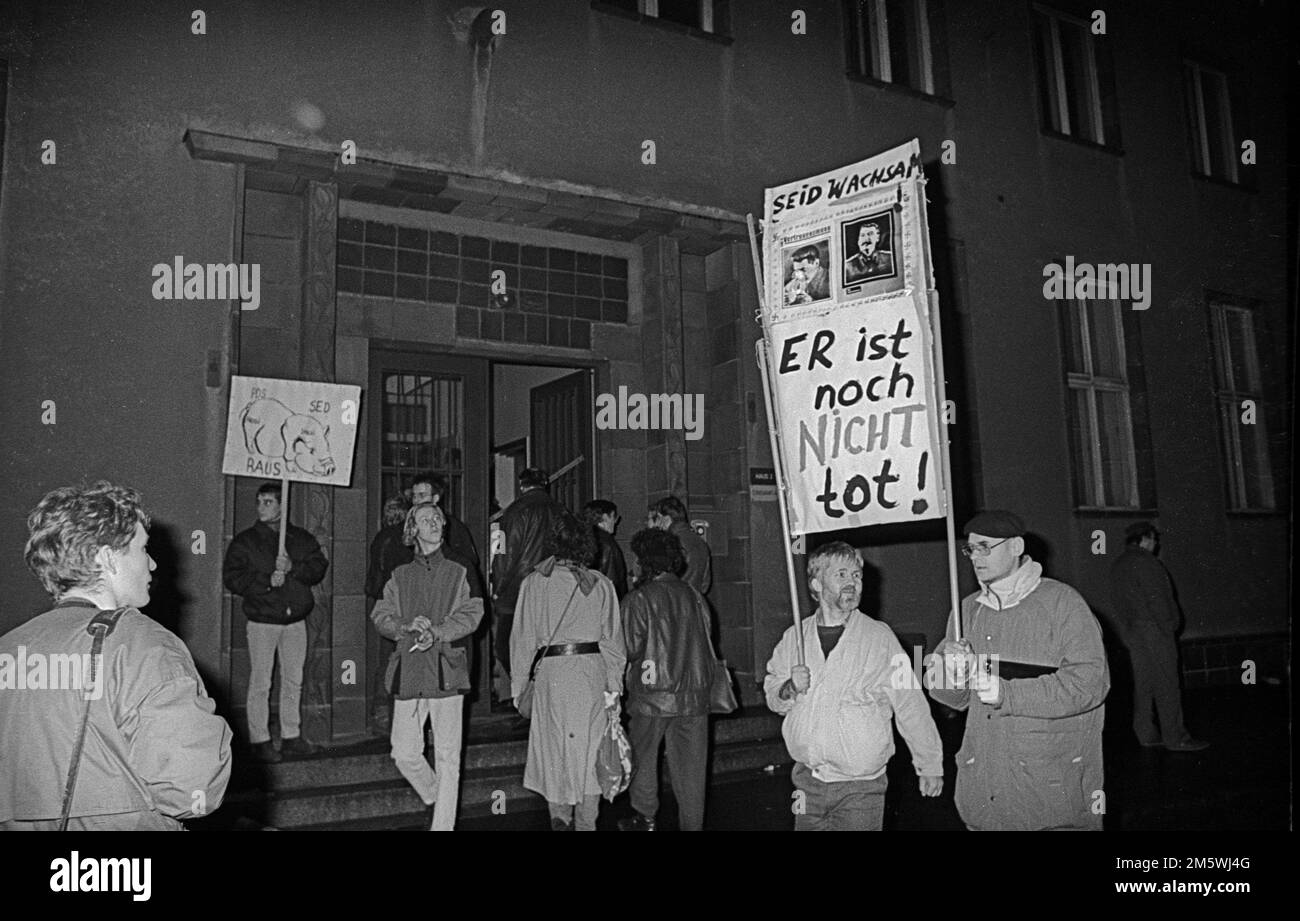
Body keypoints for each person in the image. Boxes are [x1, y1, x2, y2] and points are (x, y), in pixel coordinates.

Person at [1, 482, 232, 830]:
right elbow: (191, 790)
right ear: (108, 558)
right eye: (142, 549)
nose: (152, 564)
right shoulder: (146, 646)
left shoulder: (8, 647)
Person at [932, 511, 1109, 831]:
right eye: (970, 549)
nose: (975, 557)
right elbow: (953, 699)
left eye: (985, 547)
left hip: (1049, 797)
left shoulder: (1062, 603)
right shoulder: (967, 610)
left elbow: (1090, 683)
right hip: (985, 796)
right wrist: (951, 672)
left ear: (1015, 547)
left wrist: (1007, 693)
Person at [764, 541, 943, 831]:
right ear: (817, 583)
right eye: (842, 575)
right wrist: (790, 687)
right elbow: (774, 697)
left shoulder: (879, 638)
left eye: (857, 576)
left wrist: (929, 764)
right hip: (806, 781)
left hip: (861, 788)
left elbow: (910, 702)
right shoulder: (793, 638)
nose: (852, 583)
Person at [370, 502, 484, 831]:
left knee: (448, 754)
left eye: (437, 518)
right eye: (425, 519)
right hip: (410, 667)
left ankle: (443, 825)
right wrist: (404, 625)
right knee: (404, 752)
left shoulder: (462, 566)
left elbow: (473, 613)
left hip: (448, 666)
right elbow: (380, 615)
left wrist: (439, 631)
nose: (434, 522)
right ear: (412, 529)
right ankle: (437, 794)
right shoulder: (399, 571)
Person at [510, 513, 624, 831]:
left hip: (552, 677)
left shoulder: (534, 583)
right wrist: (614, 690)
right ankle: (588, 823)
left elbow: (522, 641)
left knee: (554, 751)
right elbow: (614, 645)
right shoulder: (602, 585)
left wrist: (519, 689)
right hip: (592, 675)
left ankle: (559, 817)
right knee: (591, 755)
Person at [222, 481, 329, 763]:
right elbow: (232, 577)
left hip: (294, 620)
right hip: (262, 620)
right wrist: (266, 581)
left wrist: (294, 568)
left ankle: (291, 736)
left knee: (294, 680)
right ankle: (260, 740)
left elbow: (318, 567)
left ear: (283, 505)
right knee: (261, 681)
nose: (261, 507)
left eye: (268, 502)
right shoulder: (245, 541)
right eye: (259, 502)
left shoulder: (300, 538)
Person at [618, 528, 715, 832]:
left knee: (644, 759)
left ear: (646, 562)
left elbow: (629, 648)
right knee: (691, 770)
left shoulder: (639, 599)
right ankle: (692, 825)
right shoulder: (696, 597)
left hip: (652, 695)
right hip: (694, 696)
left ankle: (645, 818)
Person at [1111, 522, 1208, 752]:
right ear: (1144, 539)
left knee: (1144, 683)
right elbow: (1159, 600)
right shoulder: (1147, 562)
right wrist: (1171, 625)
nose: (1156, 544)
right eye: (1154, 539)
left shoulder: (1119, 564)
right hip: (1155, 629)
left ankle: (1145, 733)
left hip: (1133, 630)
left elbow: (1117, 601)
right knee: (1167, 683)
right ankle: (1176, 738)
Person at [495, 468, 566, 682]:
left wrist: (498, 587)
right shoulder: (561, 510)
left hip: (518, 588)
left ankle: (527, 693)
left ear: (521, 485)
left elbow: (504, 554)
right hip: (554, 586)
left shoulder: (513, 511)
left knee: (507, 646)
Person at [365, 494, 410, 732]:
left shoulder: (381, 537)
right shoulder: (406, 540)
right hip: (402, 605)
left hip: (384, 604)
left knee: (385, 659)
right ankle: (396, 716)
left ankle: (381, 712)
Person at [410, 472, 479, 569]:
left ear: (435, 498)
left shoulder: (454, 527)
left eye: (421, 495)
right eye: (414, 496)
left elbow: (469, 562)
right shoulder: (407, 525)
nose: (416, 500)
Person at [645, 496, 711, 597]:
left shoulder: (667, 542)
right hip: (695, 604)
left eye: (657, 518)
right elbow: (705, 585)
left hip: (671, 604)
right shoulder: (701, 543)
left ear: (664, 518)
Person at [584, 498, 628, 600]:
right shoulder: (607, 543)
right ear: (605, 517)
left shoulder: (582, 538)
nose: (615, 522)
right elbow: (613, 578)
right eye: (613, 517)